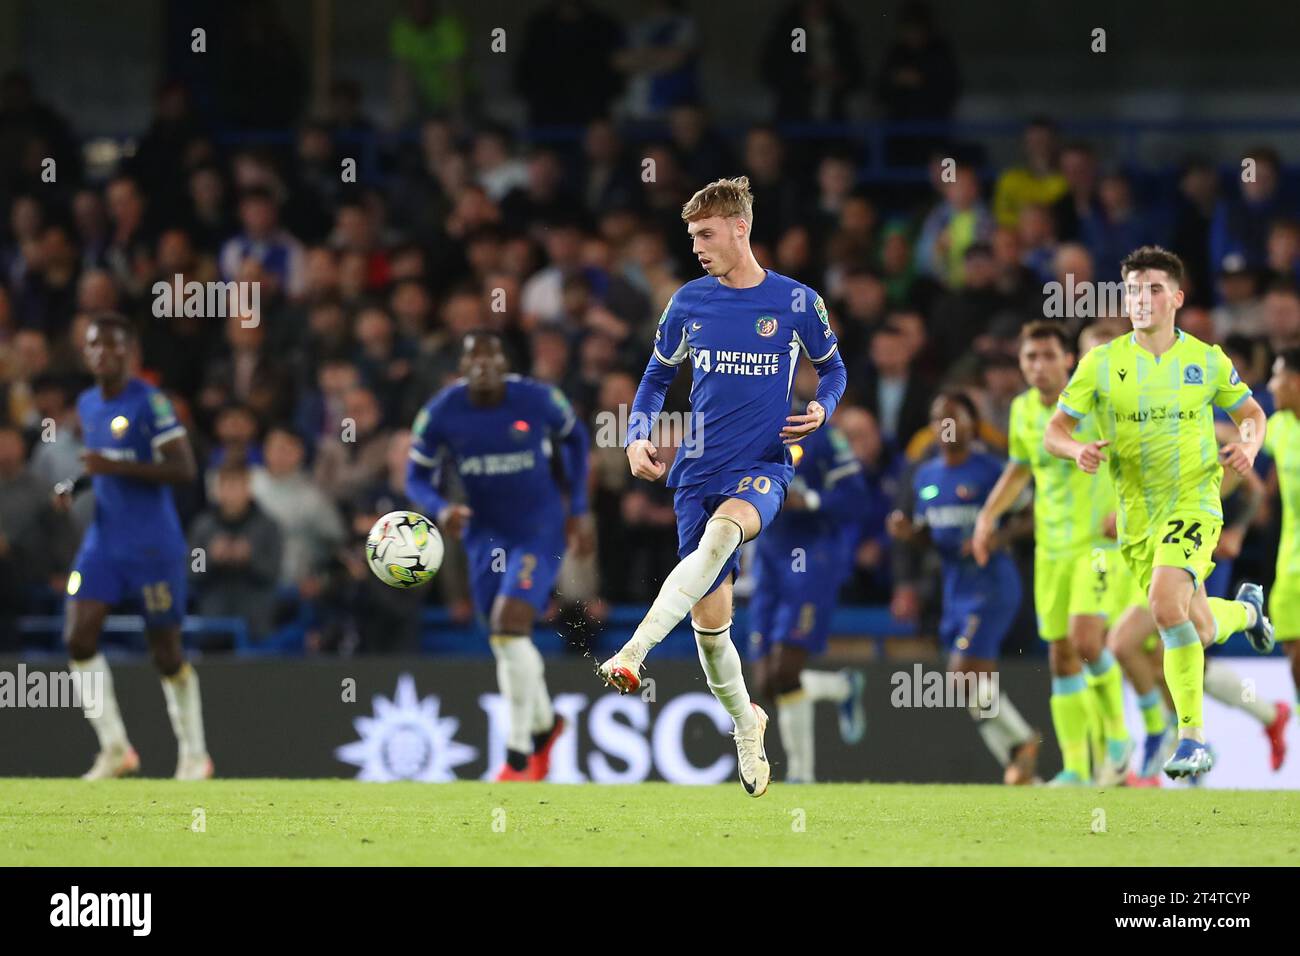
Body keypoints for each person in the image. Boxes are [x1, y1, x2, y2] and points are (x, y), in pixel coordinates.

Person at [599, 176, 847, 798]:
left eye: (707, 234)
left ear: (741, 228)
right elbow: (656, 378)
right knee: (713, 632)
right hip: (696, 470)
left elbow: (834, 369)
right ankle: (747, 721)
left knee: (722, 534)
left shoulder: (796, 302)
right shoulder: (688, 303)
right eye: (693, 237)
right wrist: (636, 435)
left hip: (764, 461)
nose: (699, 247)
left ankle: (632, 652)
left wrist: (823, 410)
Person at [1045, 245, 1274, 779]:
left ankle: (1190, 738)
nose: (1141, 299)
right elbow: (1055, 430)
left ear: (1176, 297)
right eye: (1132, 290)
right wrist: (1075, 449)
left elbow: (1252, 414)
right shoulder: (1100, 364)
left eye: (1152, 288)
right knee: (1198, 624)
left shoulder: (1206, 359)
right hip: (1137, 519)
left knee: (1166, 608)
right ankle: (1247, 612)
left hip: (1194, 502)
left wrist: (1249, 446)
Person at [405, 331, 594, 781]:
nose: (485, 368)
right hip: (482, 534)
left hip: (538, 528)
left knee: (509, 626)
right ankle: (547, 728)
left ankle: (516, 754)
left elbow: (577, 440)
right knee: (503, 639)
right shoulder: (441, 413)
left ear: (505, 363)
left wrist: (579, 510)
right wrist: (440, 509)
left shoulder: (538, 398)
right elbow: (415, 478)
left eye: (493, 360)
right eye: (475, 361)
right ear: (463, 368)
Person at [973, 322, 1134, 786]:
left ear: (1070, 361)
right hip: (1052, 550)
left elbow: (1138, 458)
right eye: (1030, 358)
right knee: (1062, 656)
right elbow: (1020, 471)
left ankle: (1119, 738)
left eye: (1048, 356)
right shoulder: (1023, 410)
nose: (1039, 366)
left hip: (1099, 545)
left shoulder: (1100, 403)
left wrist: (1125, 510)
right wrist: (988, 517)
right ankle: (1078, 768)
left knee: (1087, 642)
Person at [52, 313, 211, 780]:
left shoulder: (152, 404)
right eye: (94, 345)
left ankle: (194, 754)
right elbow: (103, 464)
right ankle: (115, 747)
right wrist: (76, 483)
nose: (102, 353)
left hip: (151, 546)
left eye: (112, 346)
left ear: (130, 353)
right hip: (103, 542)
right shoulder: (86, 403)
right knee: (79, 637)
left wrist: (111, 468)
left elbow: (184, 469)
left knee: (165, 651)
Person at [889, 392, 1039, 784]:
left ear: (973, 424)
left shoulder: (992, 470)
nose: (946, 427)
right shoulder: (925, 476)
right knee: (972, 687)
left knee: (960, 676)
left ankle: (1023, 741)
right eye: (939, 419)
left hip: (992, 583)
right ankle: (1017, 764)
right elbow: (932, 537)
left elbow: (1031, 516)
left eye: (954, 418)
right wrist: (909, 534)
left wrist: (995, 538)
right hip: (954, 587)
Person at [748, 364, 868, 783]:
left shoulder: (817, 429)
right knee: (765, 681)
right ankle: (841, 687)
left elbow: (856, 497)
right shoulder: (745, 422)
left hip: (810, 556)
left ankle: (801, 775)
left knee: (785, 670)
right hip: (767, 555)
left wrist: (812, 501)